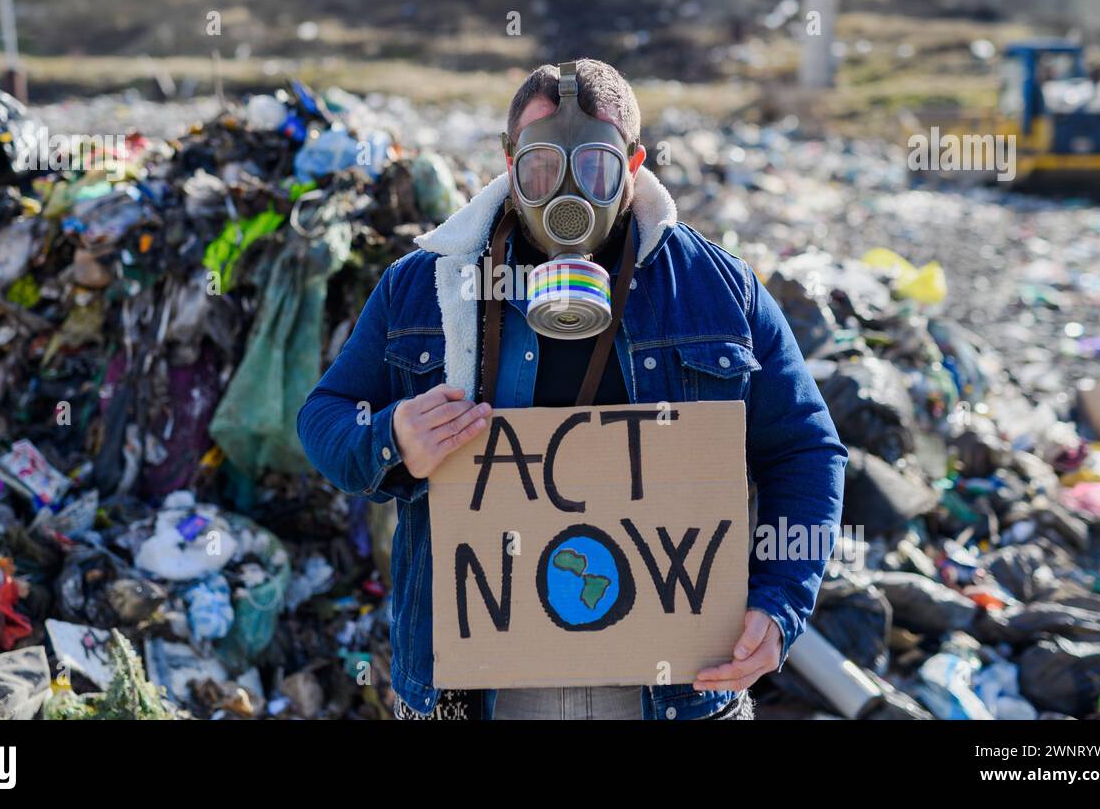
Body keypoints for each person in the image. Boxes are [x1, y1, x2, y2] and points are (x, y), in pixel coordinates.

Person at [299, 59, 845, 719]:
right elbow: (324, 419)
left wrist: (780, 600)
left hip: (668, 686)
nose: (565, 195)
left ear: (635, 164)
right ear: (507, 162)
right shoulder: (425, 287)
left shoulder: (715, 290)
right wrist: (391, 440)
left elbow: (805, 451)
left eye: (594, 168)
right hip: (486, 687)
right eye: (538, 169)